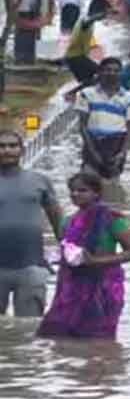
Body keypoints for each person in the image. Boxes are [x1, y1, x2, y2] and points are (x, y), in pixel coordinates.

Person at [37, 172, 130, 340]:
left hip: (105, 285)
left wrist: (96, 261)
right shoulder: (68, 221)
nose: (75, 194)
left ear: (96, 193)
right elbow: (68, 248)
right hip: (72, 285)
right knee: (58, 334)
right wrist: (55, 256)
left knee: (100, 338)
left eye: (82, 190)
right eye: (72, 191)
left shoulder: (113, 219)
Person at [0, 130, 63, 318]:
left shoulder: (40, 181)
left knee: (29, 327)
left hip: (32, 265)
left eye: (12, 146)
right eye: (1, 146)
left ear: (22, 150)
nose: (7, 150)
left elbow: (56, 217)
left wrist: (69, 248)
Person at [75, 57, 130, 180]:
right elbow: (83, 125)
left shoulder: (129, 98)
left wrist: (122, 152)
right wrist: (92, 150)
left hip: (116, 144)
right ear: (100, 72)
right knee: (89, 181)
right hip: (93, 142)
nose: (111, 73)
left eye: (116, 71)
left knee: (111, 184)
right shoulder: (87, 94)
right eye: (107, 70)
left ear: (121, 73)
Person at [64, 0, 112, 93]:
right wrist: (97, 16)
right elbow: (86, 22)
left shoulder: (87, 20)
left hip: (78, 56)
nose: (105, 16)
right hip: (75, 57)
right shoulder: (86, 21)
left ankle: (75, 94)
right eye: (105, 13)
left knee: (91, 80)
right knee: (102, 73)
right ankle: (72, 93)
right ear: (98, 11)